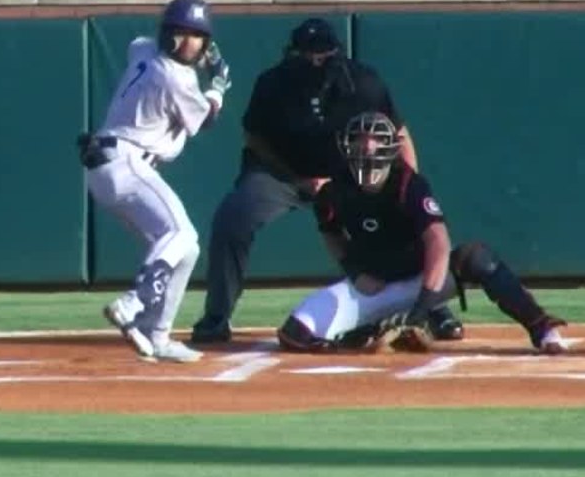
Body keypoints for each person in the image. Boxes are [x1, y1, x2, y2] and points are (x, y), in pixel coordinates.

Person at [190, 17, 462, 345]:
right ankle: (216, 316)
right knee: (234, 217)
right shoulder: (273, 83)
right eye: (306, 55)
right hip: (283, 174)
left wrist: (407, 185)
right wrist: (299, 179)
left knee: (405, 215)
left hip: (351, 173)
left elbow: (397, 133)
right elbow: (254, 138)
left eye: (322, 56)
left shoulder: (362, 82)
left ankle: (433, 307)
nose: (314, 63)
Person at [277, 111, 568, 355]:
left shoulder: (407, 184)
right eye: (361, 144)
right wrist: (354, 271)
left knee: (477, 257)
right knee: (296, 333)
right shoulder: (334, 190)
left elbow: (438, 242)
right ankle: (369, 326)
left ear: (391, 149)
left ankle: (541, 328)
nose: (368, 151)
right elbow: (331, 233)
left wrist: (421, 308)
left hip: (422, 279)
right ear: (347, 148)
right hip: (373, 285)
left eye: (375, 144)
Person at [81, 0, 233, 363]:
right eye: (179, 34)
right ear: (166, 34)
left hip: (108, 164)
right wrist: (218, 86)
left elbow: (143, 41)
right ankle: (134, 302)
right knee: (183, 235)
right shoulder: (175, 77)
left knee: (186, 250)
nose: (185, 42)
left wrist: (193, 40)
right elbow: (205, 120)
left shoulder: (143, 50)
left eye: (195, 36)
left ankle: (158, 334)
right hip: (126, 161)